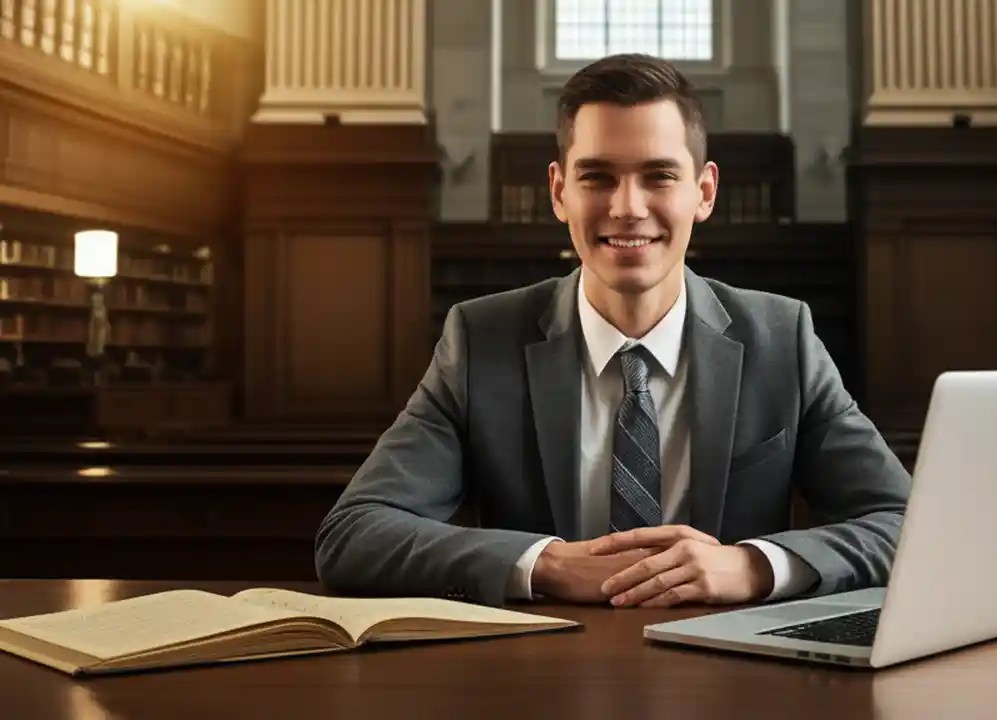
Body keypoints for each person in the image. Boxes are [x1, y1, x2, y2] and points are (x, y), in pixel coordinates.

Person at [316, 54, 911, 609]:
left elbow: (904, 521)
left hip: (735, 676)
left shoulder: (783, 338)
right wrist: (544, 563)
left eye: (658, 176)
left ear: (703, 192)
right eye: (598, 177)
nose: (627, 207)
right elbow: (355, 533)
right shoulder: (480, 340)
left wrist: (753, 566)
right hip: (536, 677)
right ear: (559, 192)